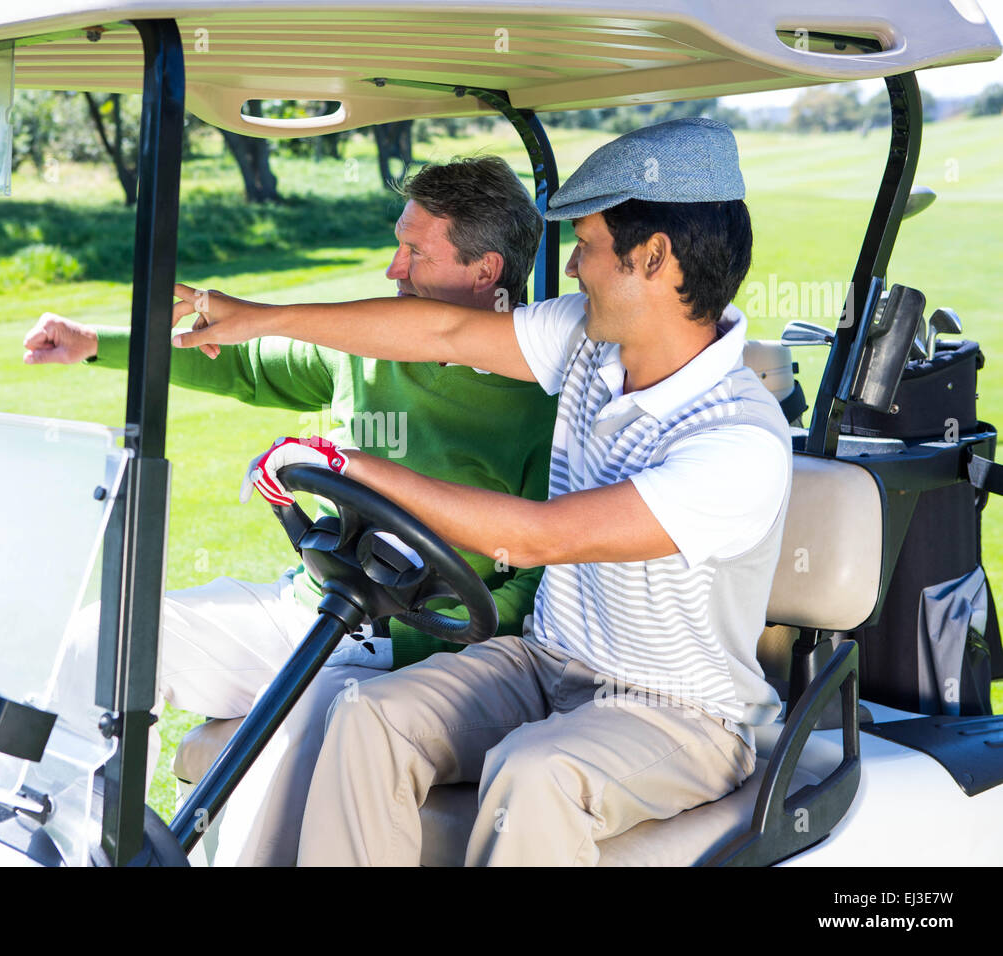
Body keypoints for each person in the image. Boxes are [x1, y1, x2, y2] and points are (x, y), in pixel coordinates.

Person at [171, 118, 793, 866]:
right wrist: (253, 318)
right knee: (367, 714)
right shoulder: (590, 344)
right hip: (548, 664)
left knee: (534, 773)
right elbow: (440, 333)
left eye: (588, 246)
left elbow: (541, 536)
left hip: (678, 714)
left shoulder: (736, 441)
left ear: (653, 258)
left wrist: (353, 465)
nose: (572, 267)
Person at [22, 156, 557, 866]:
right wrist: (96, 345)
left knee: (288, 733)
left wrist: (422, 642)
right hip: (311, 607)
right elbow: (241, 363)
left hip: (415, 647)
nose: (392, 269)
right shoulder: (368, 349)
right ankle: (66, 843)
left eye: (414, 252)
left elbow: (542, 579)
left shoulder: (546, 402)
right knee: (110, 635)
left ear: (485, 270)